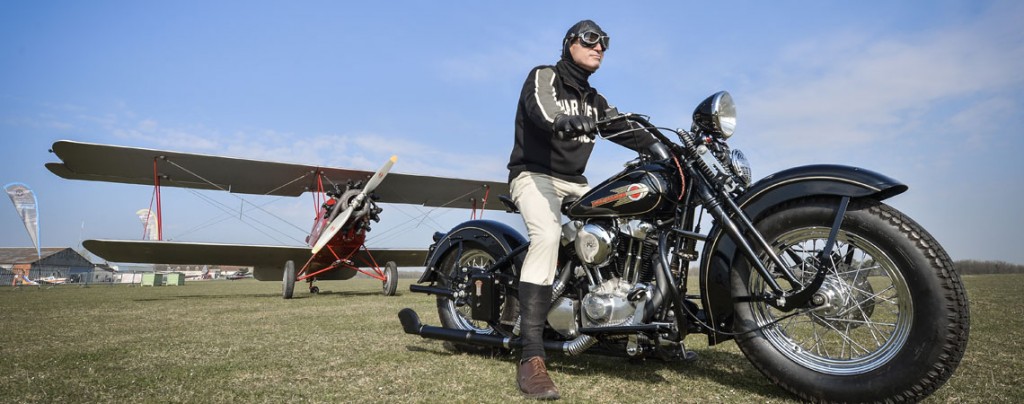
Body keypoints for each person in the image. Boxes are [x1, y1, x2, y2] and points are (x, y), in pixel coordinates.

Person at [506, 19, 656, 400]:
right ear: (569, 42)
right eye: (591, 39)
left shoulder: (595, 99)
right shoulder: (544, 75)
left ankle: (618, 322)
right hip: (534, 174)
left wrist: (660, 147)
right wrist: (562, 120)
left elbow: (621, 127)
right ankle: (531, 355)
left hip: (575, 182)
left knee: (622, 227)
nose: (600, 46)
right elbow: (541, 109)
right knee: (548, 235)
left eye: (605, 42)